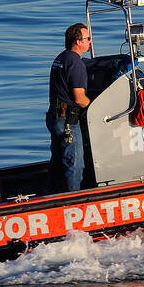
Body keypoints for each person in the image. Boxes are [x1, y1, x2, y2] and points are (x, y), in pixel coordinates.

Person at [47, 23, 92, 193]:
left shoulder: (61, 58)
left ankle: (52, 195)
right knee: (75, 165)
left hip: (55, 117)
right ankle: (73, 201)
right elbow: (79, 99)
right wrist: (94, 108)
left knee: (58, 161)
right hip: (68, 122)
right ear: (78, 41)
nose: (90, 41)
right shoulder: (76, 63)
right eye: (87, 38)